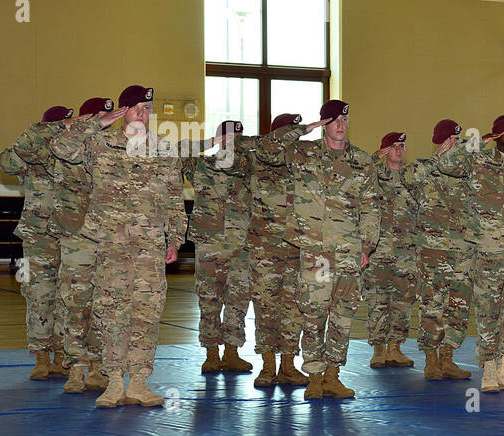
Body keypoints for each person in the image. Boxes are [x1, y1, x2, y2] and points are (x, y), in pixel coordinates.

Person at [54, 84, 187, 408]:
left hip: (149, 247)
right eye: (138, 108)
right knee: (113, 314)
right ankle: (113, 382)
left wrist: (175, 239)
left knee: (147, 314)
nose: (144, 114)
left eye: (148, 109)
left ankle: (139, 382)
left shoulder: (164, 150)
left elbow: (174, 199)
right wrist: (94, 123)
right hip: (112, 244)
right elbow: (61, 147)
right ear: (123, 112)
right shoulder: (101, 143)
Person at [436, 113, 504, 392]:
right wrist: (479, 141)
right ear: (496, 134)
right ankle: (487, 371)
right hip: (488, 252)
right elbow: (446, 163)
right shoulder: (478, 160)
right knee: (488, 313)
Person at [286, 99, 380, 400]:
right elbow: (267, 149)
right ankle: (314, 377)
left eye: (344, 119)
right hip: (317, 252)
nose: (340, 125)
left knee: (343, 315)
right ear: (324, 123)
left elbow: (371, 208)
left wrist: (367, 246)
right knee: (315, 313)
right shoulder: (303, 154)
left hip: (349, 251)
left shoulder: (362, 162)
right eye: (333, 120)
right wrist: (307, 128)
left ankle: (332, 376)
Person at [0, 106, 71, 380]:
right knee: (36, 296)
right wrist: (42, 131)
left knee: (66, 298)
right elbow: (7, 163)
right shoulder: (28, 155)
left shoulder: (71, 155)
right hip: (35, 239)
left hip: (67, 236)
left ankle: (62, 356)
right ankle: (41, 356)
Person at [181, 120, 254, 376]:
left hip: (240, 245)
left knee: (238, 300)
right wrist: (210, 144)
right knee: (209, 300)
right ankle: (211, 353)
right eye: (228, 136)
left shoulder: (248, 168)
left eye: (237, 137)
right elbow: (179, 150)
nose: (232, 141)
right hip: (209, 244)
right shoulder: (202, 164)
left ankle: (232, 353)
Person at [51, 96, 113, 394]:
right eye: (99, 116)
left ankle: (99, 368)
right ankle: (75, 369)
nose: (105, 121)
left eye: (108, 116)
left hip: (106, 237)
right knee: (75, 305)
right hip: (77, 238)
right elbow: (62, 149)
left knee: (103, 305)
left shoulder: (111, 147)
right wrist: (82, 126)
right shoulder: (68, 142)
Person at [250, 114, 314, 389]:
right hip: (266, 249)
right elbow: (269, 146)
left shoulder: (301, 162)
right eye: (289, 131)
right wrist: (300, 129)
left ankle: (288, 364)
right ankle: (267, 366)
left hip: (296, 249)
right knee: (266, 308)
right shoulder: (261, 157)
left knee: (294, 309)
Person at [415, 119, 475, 381]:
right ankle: (431, 360)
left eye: (457, 140)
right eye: (450, 139)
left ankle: (448, 358)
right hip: (433, 252)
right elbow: (409, 177)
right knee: (432, 306)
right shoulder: (423, 167)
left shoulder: (466, 172)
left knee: (459, 307)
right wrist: (437, 158)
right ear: (440, 141)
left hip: (463, 251)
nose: (455, 144)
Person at [365, 131, 419, 370]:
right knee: (378, 300)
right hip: (379, 250)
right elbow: (355, 170)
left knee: (403, 301)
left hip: (407, 250)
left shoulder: (413, 177)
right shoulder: (374, 175)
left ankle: (395, 348)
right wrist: (375, 157)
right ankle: (378, 349)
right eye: (394, 146)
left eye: (402, 146)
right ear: (385, 150)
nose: (399, 150)